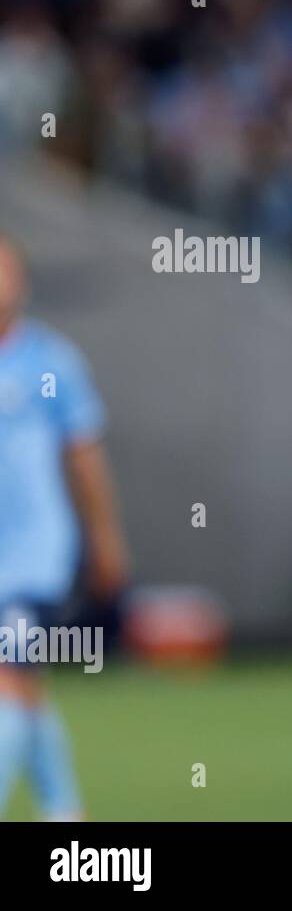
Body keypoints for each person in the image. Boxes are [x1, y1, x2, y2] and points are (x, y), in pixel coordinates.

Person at [0, 236, 130, 820]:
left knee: (9, 678)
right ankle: (65, 815)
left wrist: (105, 537)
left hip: (31, 558)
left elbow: (84, 456)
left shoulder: (50, 362)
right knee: (26, 688)